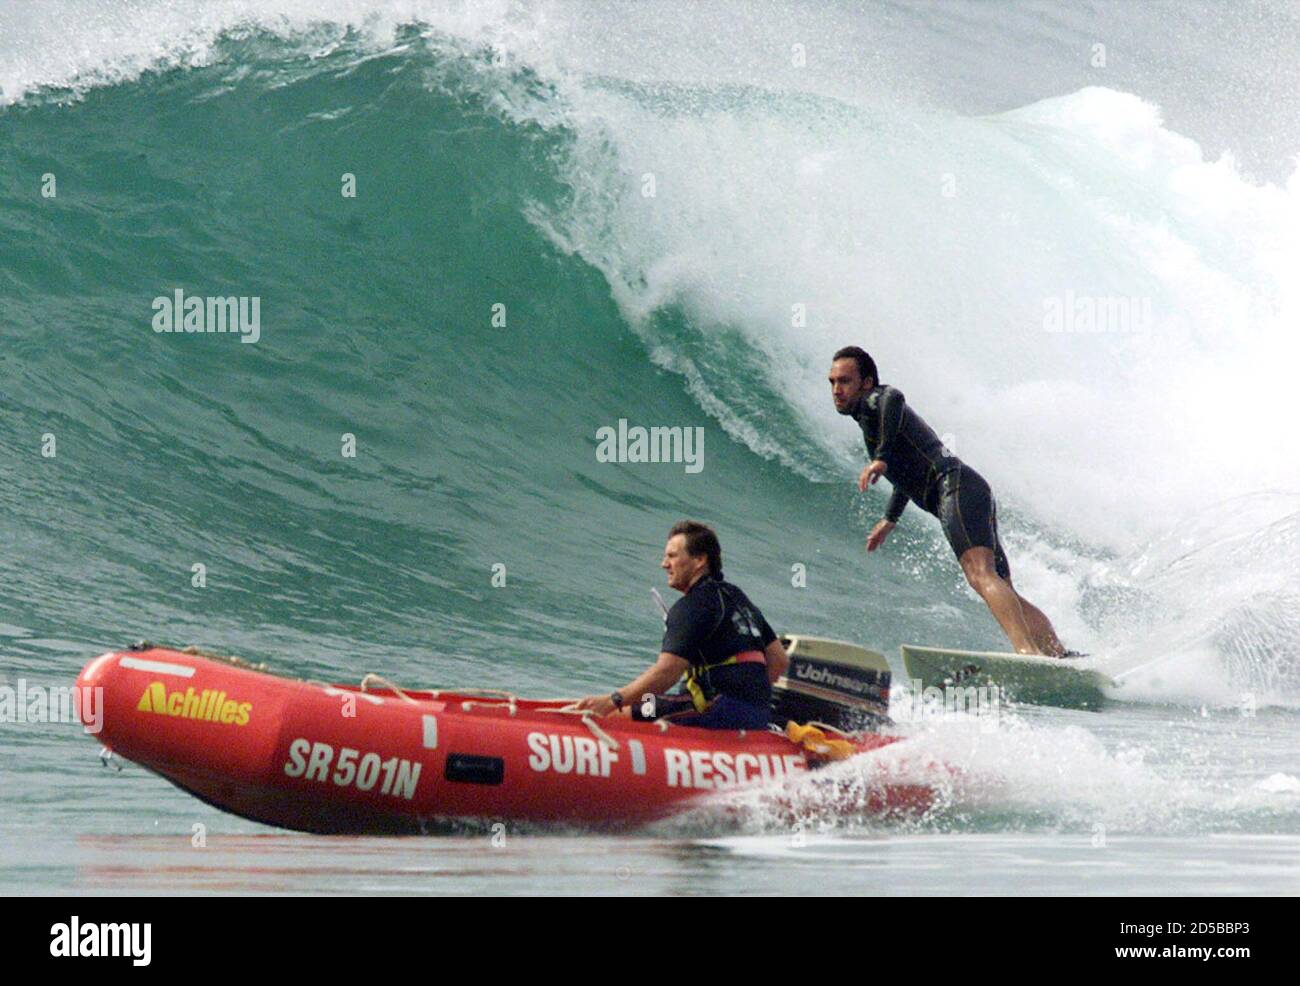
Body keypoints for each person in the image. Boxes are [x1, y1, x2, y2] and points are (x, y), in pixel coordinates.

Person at [829, 345, 1067, 656]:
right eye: (832, 382)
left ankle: (1028, 652)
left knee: (979, 574)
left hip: (955, 487)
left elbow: (894, 397)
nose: (837, 390)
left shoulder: (878, 401)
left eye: (845, 381)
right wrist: (891, 518)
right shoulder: (870, 422)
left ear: (867, 382)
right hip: (967, 488)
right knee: (1000, 587)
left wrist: (881, 458)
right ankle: (1056, 654)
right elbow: (908, 469)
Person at [576, 521, 789, 728]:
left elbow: (666, 673)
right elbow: (779, 660)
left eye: (672, 556)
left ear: (699, 560)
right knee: (650, 701)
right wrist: (745, 697)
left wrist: (613, 700)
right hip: (757, 713)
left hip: (715, 708)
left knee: (625, 712)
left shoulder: (692, 606)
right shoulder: (737, 598)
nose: (664, 564)